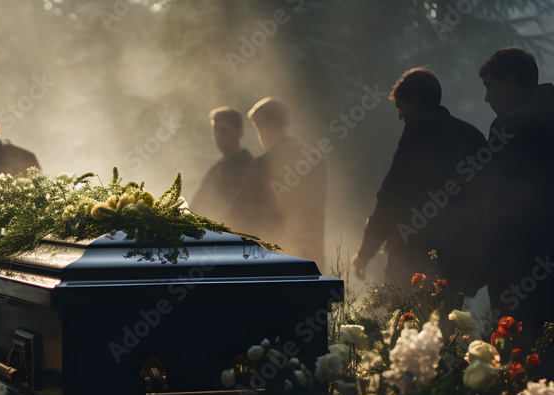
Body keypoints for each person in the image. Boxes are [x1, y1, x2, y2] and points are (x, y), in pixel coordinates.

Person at [352, 68, 487, 290]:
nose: (400, 116)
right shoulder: (472, 135)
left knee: (406, 322)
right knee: (445, 321)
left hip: (412, 259)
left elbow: (390, 196)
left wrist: (365, 252)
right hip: (457, 265)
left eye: (401, 107)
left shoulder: (419, 128)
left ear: (414, 101)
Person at [478, 47, 554, 341]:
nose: (486, 98)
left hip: (523, 267)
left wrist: (490, 264)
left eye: (490, 86)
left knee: (525, 354)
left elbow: (498, 205)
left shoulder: (508, 125)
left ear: (509, 82)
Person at [234, 97, 327, 267]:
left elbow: (240, 212)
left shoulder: (262, 166)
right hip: (312, 258)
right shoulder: (315, 160)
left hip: (275, 260)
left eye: (258, 129)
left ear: (267, 126)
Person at [191, 107, 253, 224]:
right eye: (216, 131)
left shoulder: (252, 168)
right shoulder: (214, 172)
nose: (219, 136)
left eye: (224, 130)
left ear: (239, 132)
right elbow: (195, 208)